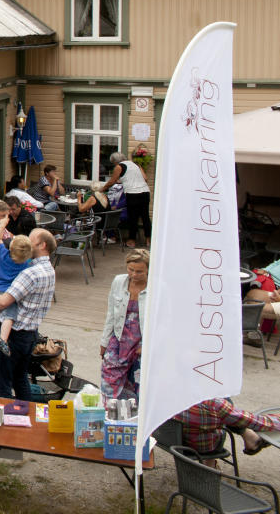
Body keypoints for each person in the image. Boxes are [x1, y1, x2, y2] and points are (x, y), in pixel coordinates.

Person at [0, 228, 57, 400]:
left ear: (42, 245)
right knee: (20, 379)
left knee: (1, 383)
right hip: (30, 334)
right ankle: (27, 416)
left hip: (14, 335)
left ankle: (3, 418)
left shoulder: (30, 273)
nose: (26, 241)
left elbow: (3, 302)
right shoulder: (49, 269)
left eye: (30, 239)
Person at [98, 249, 149, 399]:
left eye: (139, 272)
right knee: (109, 378)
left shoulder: (157, 288)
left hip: (141, 341)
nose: (134, 275)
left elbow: (162, 323)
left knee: (140, 383)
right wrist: (104, 341)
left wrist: (146, 345)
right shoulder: (119, 281)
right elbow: (111, 314)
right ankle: (109, 412)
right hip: (120, 338)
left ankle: (135, 417)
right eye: (131, 270)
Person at [176, 398, 280, 457]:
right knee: (225, 409)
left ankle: (250, 436)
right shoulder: (212, 403)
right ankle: (209, 466)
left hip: (171, 439)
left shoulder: (163, 384)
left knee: (225, 404)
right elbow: (256, 422)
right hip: (199, 447)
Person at [0, 235, 34, 357]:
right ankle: (3, 340)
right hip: (6, 290)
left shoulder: (3, 254)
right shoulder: (25, 264)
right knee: (10, 314)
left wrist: (2, 224)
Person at [244, 236, 280, 326]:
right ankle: (247, 323)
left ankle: (252, 328)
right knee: (250, 290)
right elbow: (277, 263)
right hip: (273, 281)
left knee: (256, 304)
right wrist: (266, 270)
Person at [103, 151, 151, 248]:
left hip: (133, 194)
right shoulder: (136, 164)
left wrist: (102, 189)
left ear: (115, 162)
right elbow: (145, 178)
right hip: (145, 192)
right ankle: (148, 240)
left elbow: (112, 181)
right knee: (145, 216)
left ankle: (132, 241)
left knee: (133, 217)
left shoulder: (119, 167)